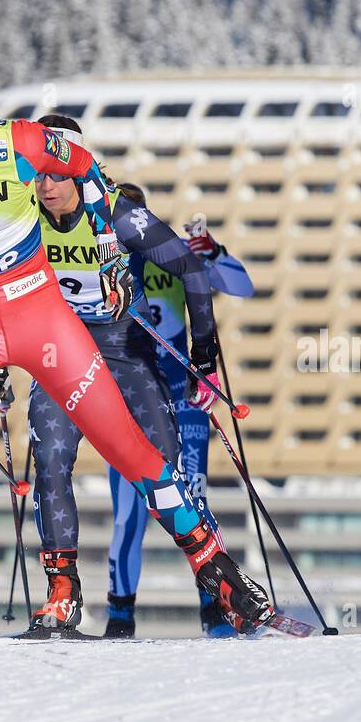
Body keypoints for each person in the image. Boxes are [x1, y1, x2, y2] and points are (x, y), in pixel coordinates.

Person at [0, 58, 273, 635]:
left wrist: (109, 248)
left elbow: (87, 166)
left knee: (131, 449)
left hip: (42, 318)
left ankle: (216, 570)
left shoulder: (23, 143)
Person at [25, 116, 232, 635]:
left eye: (55, 173)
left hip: (124, 348)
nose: (44, 185)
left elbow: (190, 269)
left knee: (163, 472)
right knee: (50, 459)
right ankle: (63, 593)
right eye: (36, 174)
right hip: (60, 351)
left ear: (78, 168)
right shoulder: (21, 215)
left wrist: (204, 358)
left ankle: (221, 586)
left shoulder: (116, 211)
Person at [104, 189, 257, 638]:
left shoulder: (169, 253)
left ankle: (218, 607)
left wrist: (213, 252)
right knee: (129, 511)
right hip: (131, 393)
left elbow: (242, 286)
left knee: (193, 496)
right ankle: (120, 616)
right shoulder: (100, 258)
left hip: (181, 391)